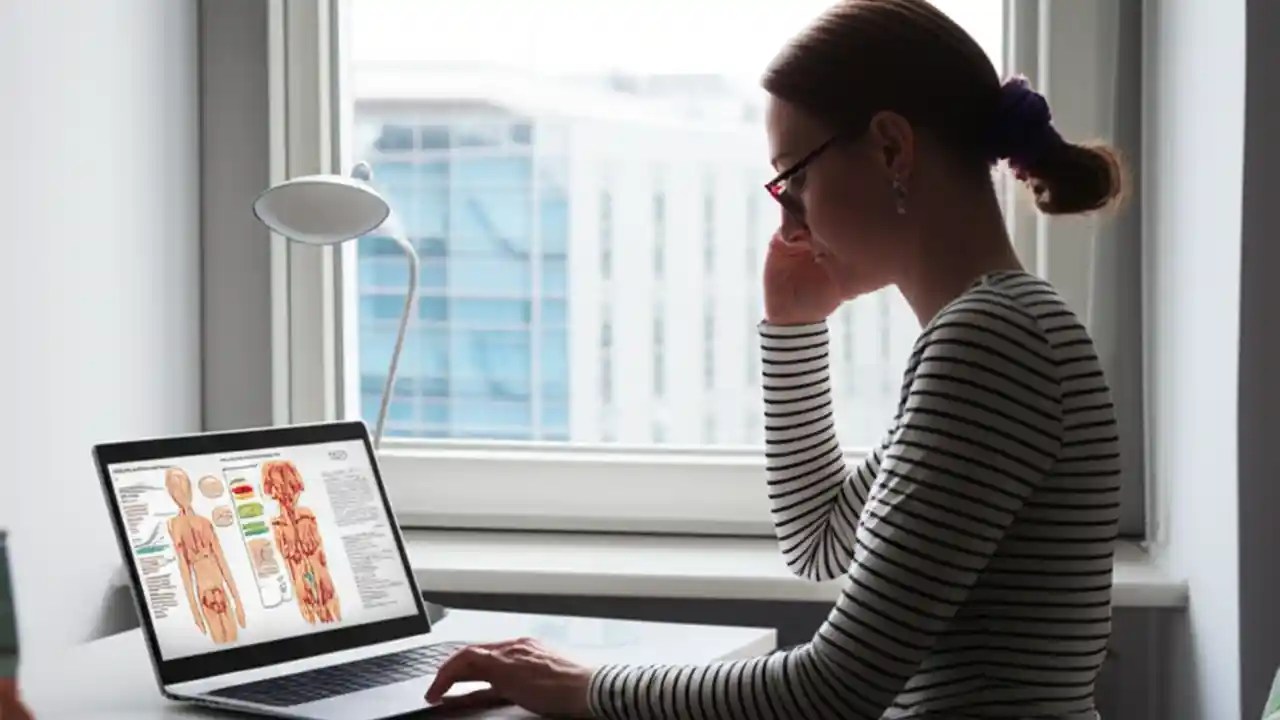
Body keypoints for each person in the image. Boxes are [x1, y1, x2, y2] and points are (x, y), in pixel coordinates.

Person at [425, 0, 1122, 717]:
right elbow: (820, 542)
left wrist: (577, 687)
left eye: (795, 179)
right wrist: (792, 331)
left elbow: (831, 689)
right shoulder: (1006, 329)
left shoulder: (991, 346)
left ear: (891, 149)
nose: (788, 220)